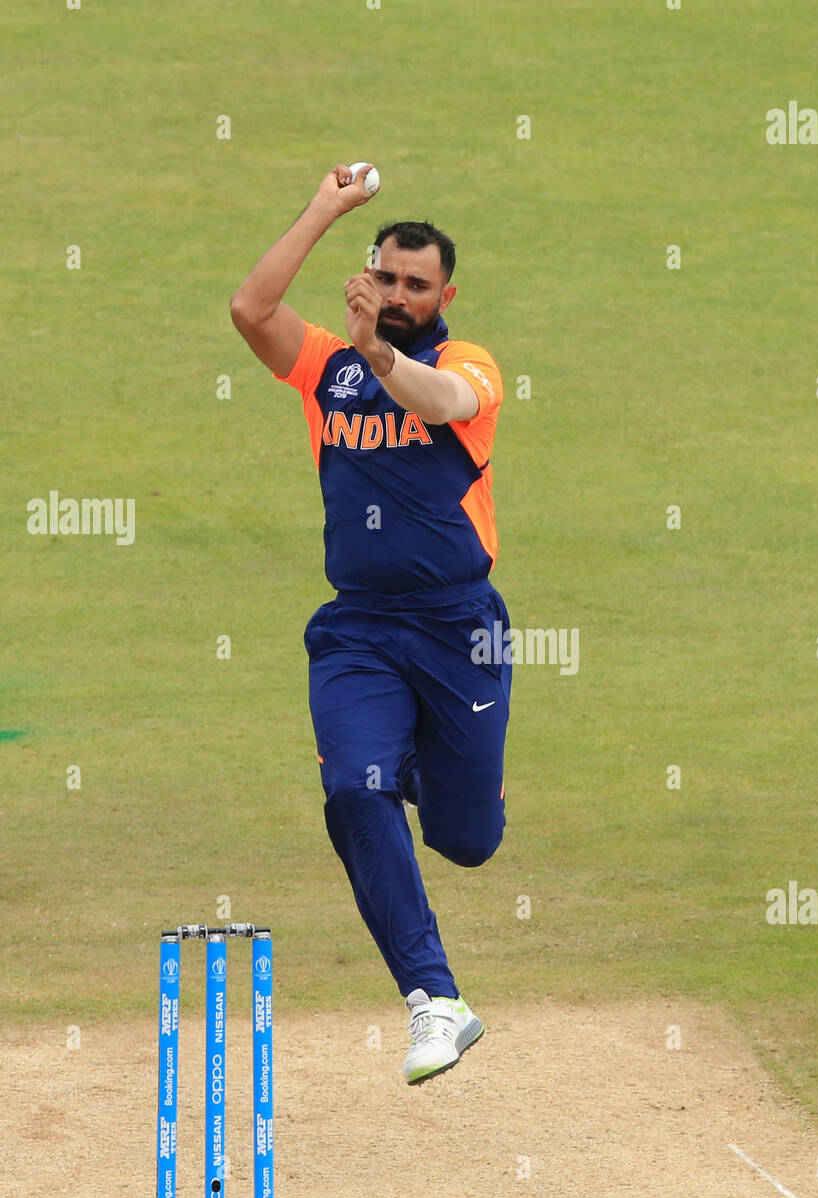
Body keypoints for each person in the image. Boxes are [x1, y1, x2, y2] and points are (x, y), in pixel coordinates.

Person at [230, 164, 511, 1084]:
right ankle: (435, 1000)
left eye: (415, 284)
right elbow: (249, 309)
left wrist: (380, 356)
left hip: (459, 627)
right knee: (354, 792)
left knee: (467, 842)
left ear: (443, 296)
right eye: (384, 276)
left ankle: (440, 778)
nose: (397, 294)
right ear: (369, 273)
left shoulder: (464, 364)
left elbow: (443, 406)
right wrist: (323, 207)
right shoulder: (325, 366)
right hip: (357, 631)